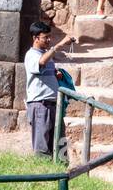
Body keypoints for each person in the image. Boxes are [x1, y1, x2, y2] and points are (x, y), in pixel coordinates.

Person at [25, 21, 77, 157]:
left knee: (60, 146)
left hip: (54, 105)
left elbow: (46, 69)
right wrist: (58, 46)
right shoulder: (31, 55)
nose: (48, 40)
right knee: (42, 147)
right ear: (35, 38)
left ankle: (61, 172)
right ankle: (43, 174)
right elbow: (41, 62)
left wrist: (56, 75)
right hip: (40, 105)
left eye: (49, 37)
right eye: (45, 37)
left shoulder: (46, 55)